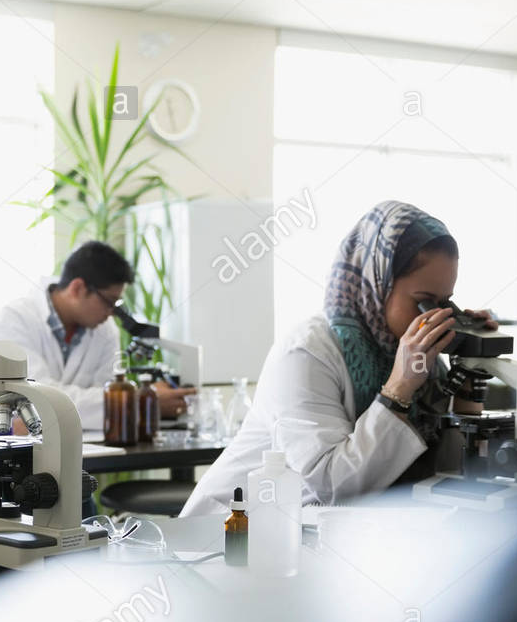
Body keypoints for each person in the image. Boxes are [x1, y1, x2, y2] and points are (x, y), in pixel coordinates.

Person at [182, 200, 497, 516]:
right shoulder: (307, 353)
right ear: (377, 284)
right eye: (425, 301)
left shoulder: (420, 360)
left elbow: (444, 472)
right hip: (235, 531)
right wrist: (399, 388)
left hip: (325, 535)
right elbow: (334, 487)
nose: (435, 317)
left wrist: (470, 372)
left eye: (445, 303)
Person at [0, 241, 195, 429]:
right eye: (109, 301)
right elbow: (37, 399)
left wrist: (123, 403)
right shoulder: (14, 320)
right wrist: (137, 402)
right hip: (17, 449)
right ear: (78, 288)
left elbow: (107, 396)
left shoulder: (105, 331)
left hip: (81, 444)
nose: (111, 312)